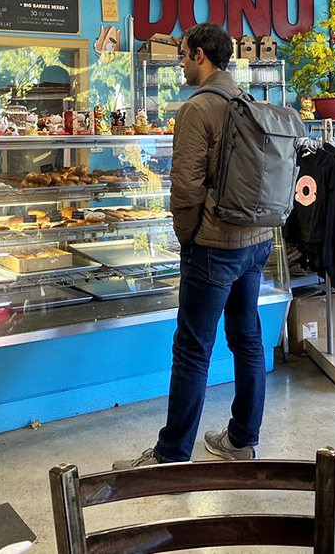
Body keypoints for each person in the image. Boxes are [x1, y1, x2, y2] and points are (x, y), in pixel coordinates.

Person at [114, 23, 273, 468]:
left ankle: (170, 456)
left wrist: (189, 239)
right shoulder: (250, 103)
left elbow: (184, 190)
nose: (180, 63)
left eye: (183, 55)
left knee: (192, 349)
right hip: (257, 241)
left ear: (201, 55)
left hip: (214, 246)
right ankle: (242, 440)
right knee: (248, 339)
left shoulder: (197, 109)